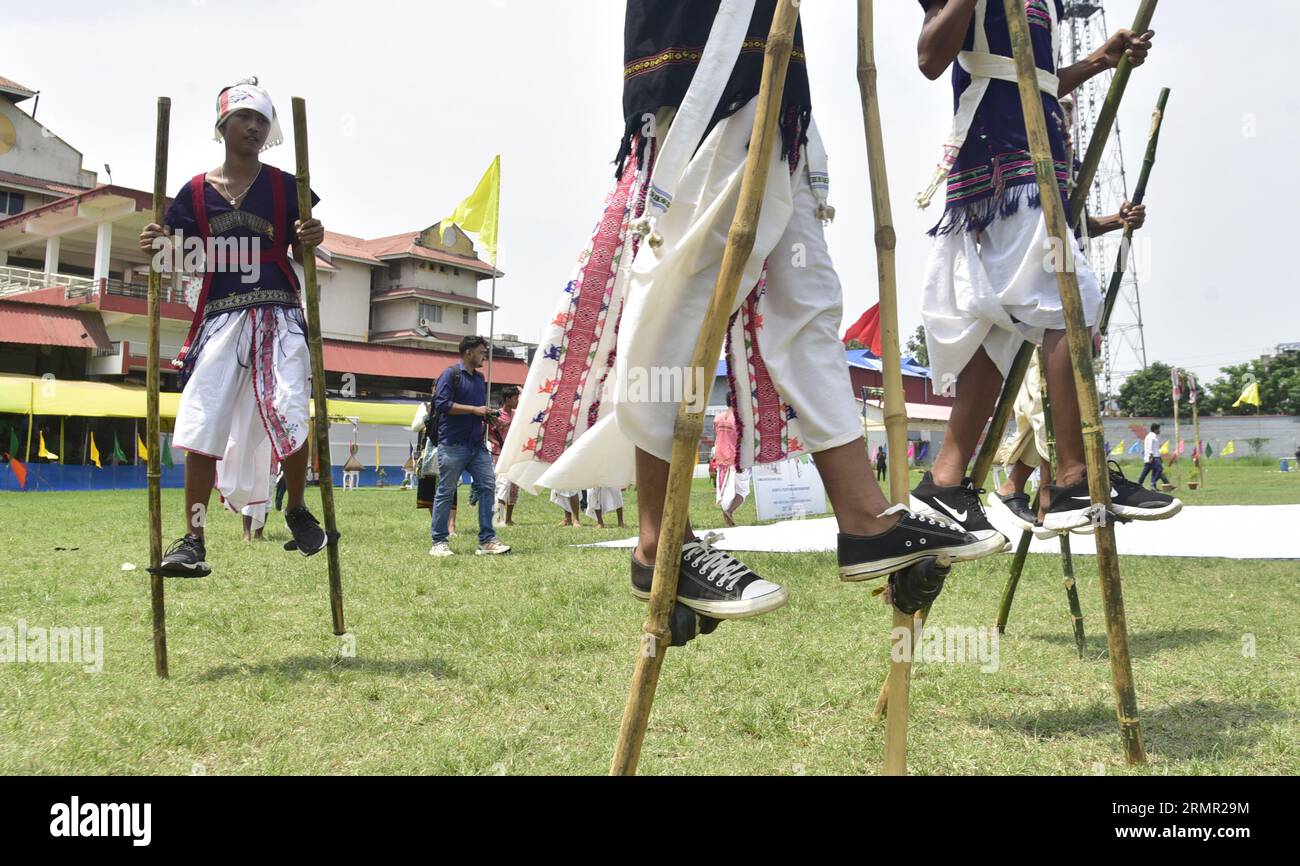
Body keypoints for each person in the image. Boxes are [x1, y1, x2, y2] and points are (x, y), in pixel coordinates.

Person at [495, 0, 1005, 623]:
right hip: (707, 70)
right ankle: (660, 539)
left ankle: (864, 517)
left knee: (807, 301)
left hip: (774, 75)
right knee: (681, 300)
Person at [912, 0, 1179, 536]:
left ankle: (944, 483)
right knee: (1068, 303)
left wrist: (1099, 62)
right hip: (1003, 166)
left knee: (997, 336)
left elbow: (1031, 81)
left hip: (1036, 165)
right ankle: (1074, 478)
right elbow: (931, 58)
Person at [140, 77, 330, 577]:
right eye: (244, 118)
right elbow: (175, 256)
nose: (253, 127)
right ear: (223, 125)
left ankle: (295, 510)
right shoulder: (195, 192)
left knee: (289, 409)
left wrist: (313, 234)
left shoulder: (288, 185)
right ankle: (193, 539)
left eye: (262, 121)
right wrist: (155, 242)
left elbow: (307, 246)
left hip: (281, 315)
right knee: (201, 422)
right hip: (220, 317)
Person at [429, 336, 510, 557]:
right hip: (452, 444)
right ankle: (439, 542)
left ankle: (487, 540)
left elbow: (476, 409)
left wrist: (489, 417)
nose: (484, 355)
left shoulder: (479, 378)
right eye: (481, 352)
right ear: (468, 353)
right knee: (446, 491)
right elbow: (442, 404)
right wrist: (475, 410)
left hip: (477, 445)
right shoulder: (450, 374)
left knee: (487, 486)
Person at [712, 406, 749, 528]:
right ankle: (729, 511)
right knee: (743, 490)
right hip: (735, 457)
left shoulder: (717, 418)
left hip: (720, 456)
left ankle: (728, 516)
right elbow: (743, 439)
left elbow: (717, 434)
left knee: (724, 488)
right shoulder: (738, 420)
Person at [491, 386, 522, 526]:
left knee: (514, 486)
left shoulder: (518, 414)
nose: (517, 401)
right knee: (502, 485)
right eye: (515, 398)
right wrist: (496, 442)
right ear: (507, 399)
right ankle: (500, 518)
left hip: (515, 455)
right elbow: (487, 432)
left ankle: (509, 518)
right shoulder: (496, 415)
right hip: (500, 455)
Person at [1137, 422, 1172, 490]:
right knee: (1159, 470)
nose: (1159, 431)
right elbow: (1149, 447)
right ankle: (1152, 483)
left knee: (1148, 471)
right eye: (1159, 429)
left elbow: (1155, 448)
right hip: (1153, 457)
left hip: (1155, 456)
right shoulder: (1151, 437)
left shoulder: (1154, 436)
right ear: (1155, 429)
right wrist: (1151, 456)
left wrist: (1159, 457)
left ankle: (1141, 484)